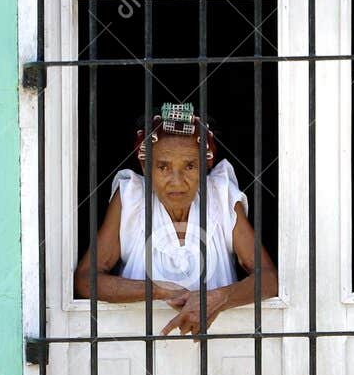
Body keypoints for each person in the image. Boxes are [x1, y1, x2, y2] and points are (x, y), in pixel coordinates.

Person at [74, 101, 277, 337]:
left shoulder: (220, 196)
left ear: (205, 165)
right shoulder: (132, 198)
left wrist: (217, 298)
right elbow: (86, 279)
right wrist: (158, 290)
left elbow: (268, 279)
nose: (177, 181)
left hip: (220, 346)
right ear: (146, 166)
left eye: (190, 166)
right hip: (138, 347)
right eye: (163, 167)